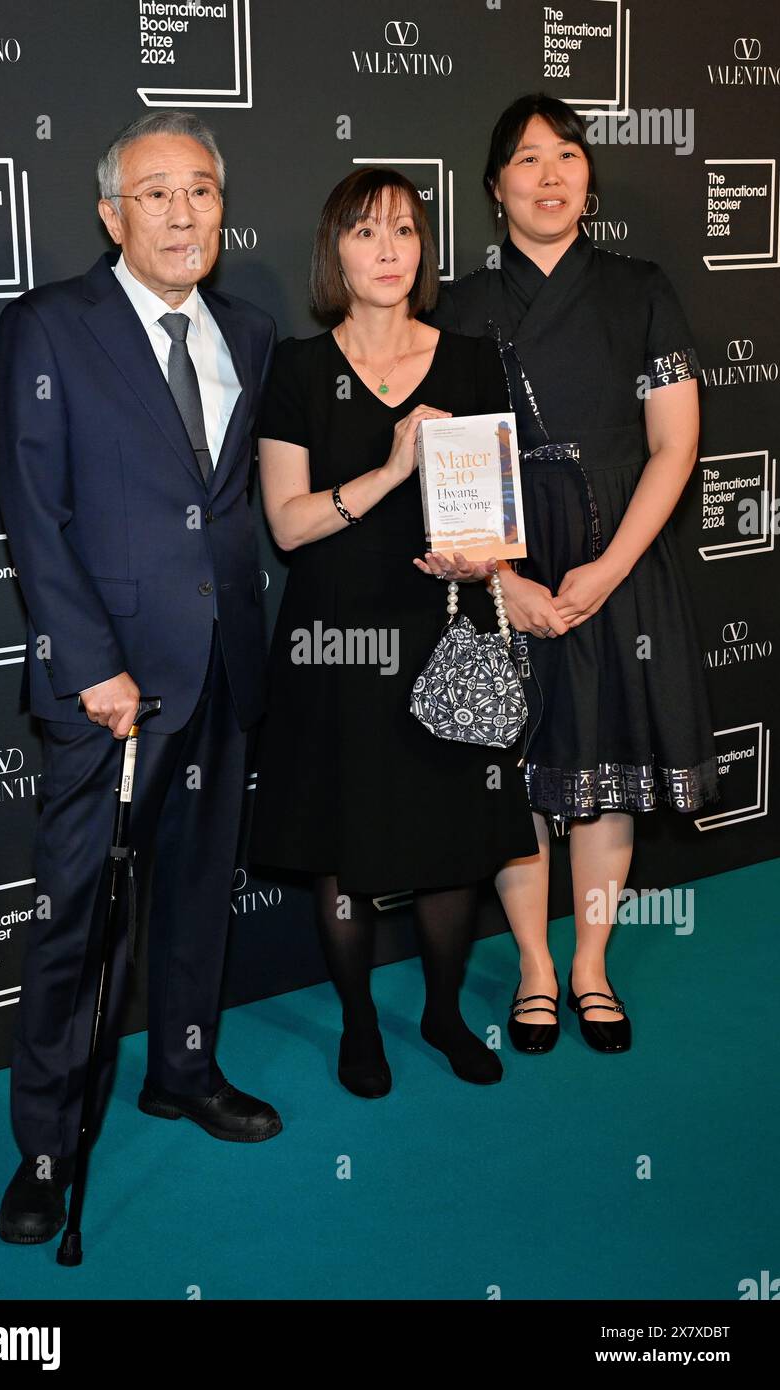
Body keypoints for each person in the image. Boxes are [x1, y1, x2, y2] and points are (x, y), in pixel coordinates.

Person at [0, 110, 281, 1245]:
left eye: (200, 191)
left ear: (221, 207)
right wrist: (91, 665)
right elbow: (32, 508)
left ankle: (184, 1069)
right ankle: (49, 1142)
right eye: (154, 193)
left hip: (221, 666)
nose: (180, 212)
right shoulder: (49, 326)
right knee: (78, 914)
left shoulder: (248, 333)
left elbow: (225, 506)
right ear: (112, 212)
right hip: (107, 686)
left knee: (198, 895)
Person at [429, 94, 720, 1056]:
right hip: (505, 562)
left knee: (603, 777)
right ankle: (534, 966)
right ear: (494, 189)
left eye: (565, 155)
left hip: (618, 554)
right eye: (525, 160)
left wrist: (607, 569)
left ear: (589, 178)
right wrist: (499, 579)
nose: (548, 175)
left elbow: (674, 447)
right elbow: (448, 460)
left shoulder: (639, 287)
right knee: (522, 776)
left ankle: (590, 962)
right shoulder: (461, 305)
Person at [248, 168, 540, 1099]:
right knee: (345, 846)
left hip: (437, 631)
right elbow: (288, 525)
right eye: (366, 232)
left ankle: (445, 1011)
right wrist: (389, 468)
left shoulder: (470, 359)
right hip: (334, 647)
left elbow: (491, 515)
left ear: (424, 251)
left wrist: (480, 559)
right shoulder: (297, 368)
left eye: (406, 232)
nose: (387, 250)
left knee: (450, 837)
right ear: (334, 249)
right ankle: (361, 1024)